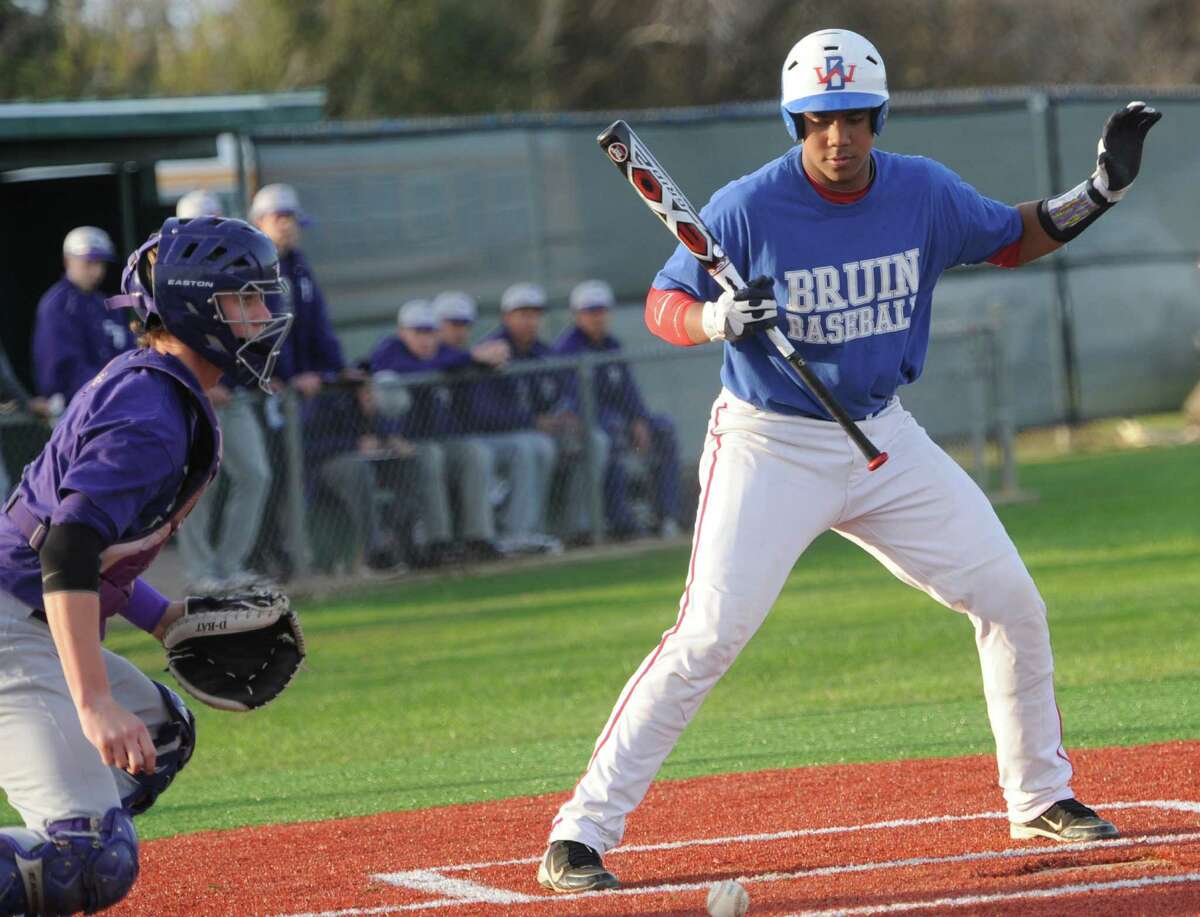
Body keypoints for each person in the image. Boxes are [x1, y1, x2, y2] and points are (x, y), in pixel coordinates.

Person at [538, 28, 1161, 892]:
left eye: (855, 119)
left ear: (878, 119)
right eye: (821, 120)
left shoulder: (920, 191)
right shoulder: (748, 205)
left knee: (1011, 599)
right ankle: (580, 831)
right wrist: (719, 321)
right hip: (769, 441)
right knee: (710, 634)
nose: (839, 137)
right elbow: (662, 300)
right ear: (798, 122)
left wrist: (1101, 192)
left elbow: (1013, 236)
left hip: (881, 437)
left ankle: (1040, 794)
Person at [0, 216, 292, 914]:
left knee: (160, 735)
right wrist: (94, 700)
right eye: (243, 299)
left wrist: (159, 618)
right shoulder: (152, 413)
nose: (261, 316)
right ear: (195, 305)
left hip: (28, 610)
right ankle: (63, 830)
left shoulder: (161, 388)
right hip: (12, 621)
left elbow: (86, 547)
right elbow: (66, 547)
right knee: (87, 858)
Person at [172, 192, 275, 592]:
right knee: (197, 484)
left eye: (216, 222)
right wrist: (196, 381)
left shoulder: (236, 269)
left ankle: (229, 565)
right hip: (191, 398)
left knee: (255, 474)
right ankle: (200, 573)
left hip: (232, 394)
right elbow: (156, 339)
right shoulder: (166, 273)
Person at [370, 298, 507, 564]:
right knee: (432, 454)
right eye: (418, 332)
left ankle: (478, 537)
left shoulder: (441, 352)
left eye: (430, 332)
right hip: (395, 448)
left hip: (435, 442)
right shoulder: (390, 351)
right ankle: (437, 542)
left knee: (473, 452)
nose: (425, 339)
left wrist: (485, 360)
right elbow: (406, 369)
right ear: (402, 332)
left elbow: (458, 360)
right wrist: (471, 357)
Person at [554, 279, 682, 539]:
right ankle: (621, 521)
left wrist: (640, 420)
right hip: (588, 426)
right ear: (577, 315)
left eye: (601, 310)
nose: (596, 317)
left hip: (620, 420)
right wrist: (621, 420)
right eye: (590, 311)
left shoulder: (612, 344)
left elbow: (628, 391)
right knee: (612, 429)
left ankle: (666, 515)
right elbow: (575, 400)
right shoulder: (567, 349)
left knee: (663, 427)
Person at [453, 284, 561, 554]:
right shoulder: (492, 351)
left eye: (534, 313)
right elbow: (483, 414)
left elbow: (558, 393)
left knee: (554, 443)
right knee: (528, 447)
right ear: (506, 316)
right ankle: (517, 531)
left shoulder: (541, 352)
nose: (529, 320)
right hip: (483, 437)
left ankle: (543, 528)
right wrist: (531, 421)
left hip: (522, 433)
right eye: (522, 313)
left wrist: (561, 413)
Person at [31, 226, 135, 405]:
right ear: (67, 261)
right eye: (89, 262)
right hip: (76, 408)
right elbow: (63, 371)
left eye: (101, 263)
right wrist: (114, 387)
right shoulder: (57, 305)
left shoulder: (108, 303)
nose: (97, 271)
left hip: (114, 399)